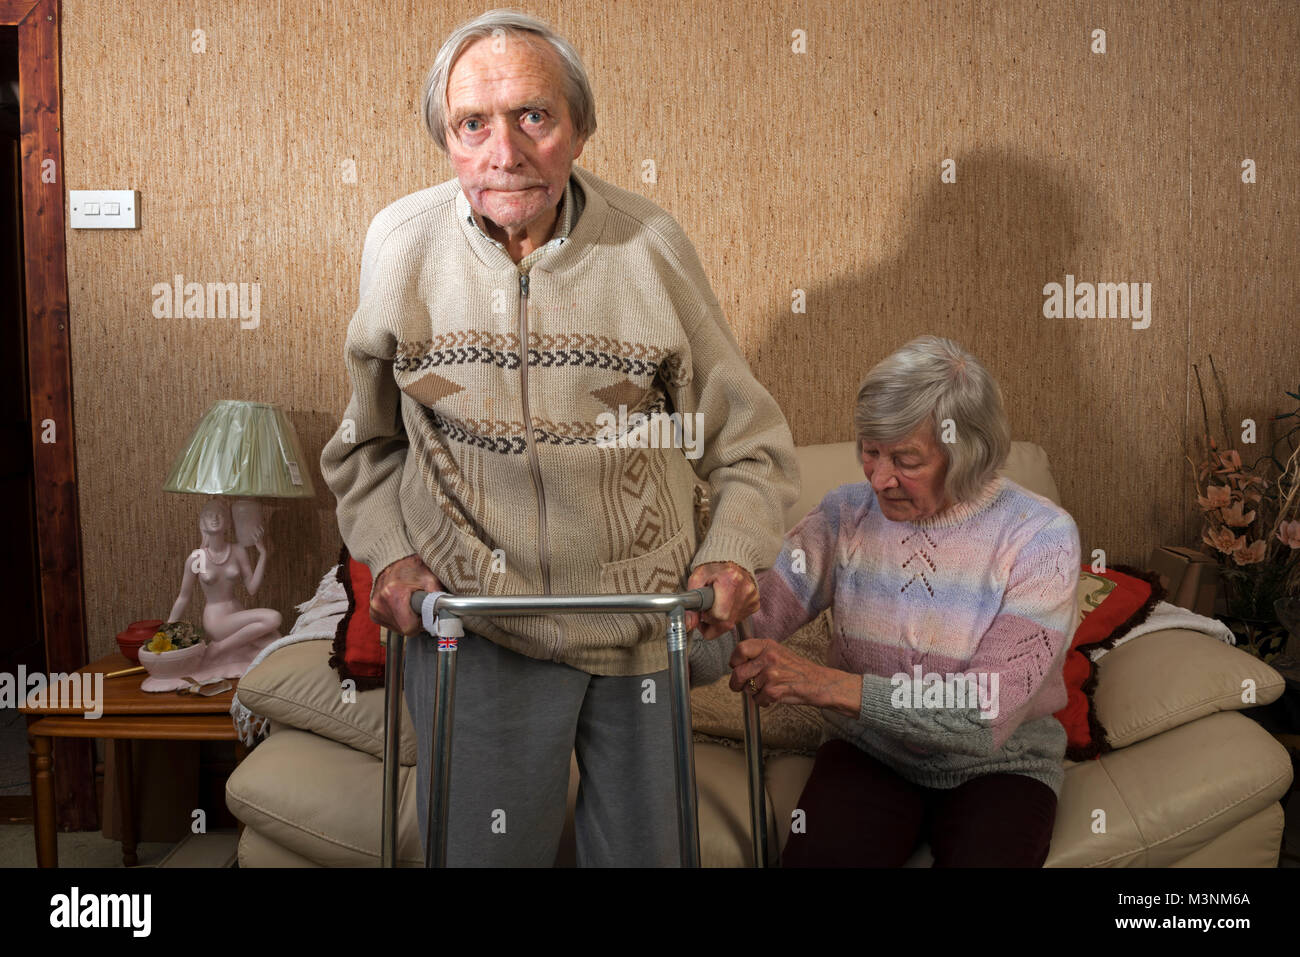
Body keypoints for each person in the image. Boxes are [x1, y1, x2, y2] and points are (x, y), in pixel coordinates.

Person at [318, 9, 799, 866]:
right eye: (474, 123)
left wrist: (732, 552)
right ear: (446, 138)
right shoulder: (399, 244)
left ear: (579, 130)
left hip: (639, 626)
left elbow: (749, 439)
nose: (505, 152)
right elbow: (365, 444)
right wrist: (391, 557)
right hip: (476, 630)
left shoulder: (650, 245)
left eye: (534, 116)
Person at [690, 335, 1080, 866]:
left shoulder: (1041, 536)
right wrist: (680, 635)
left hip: (1000, 768)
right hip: (870, 753)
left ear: (967, 454)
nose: (877, 478)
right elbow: (746, 624)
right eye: (869, 451)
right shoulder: (843, 516)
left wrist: (827, 685)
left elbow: (983, 713)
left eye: (905, 460)